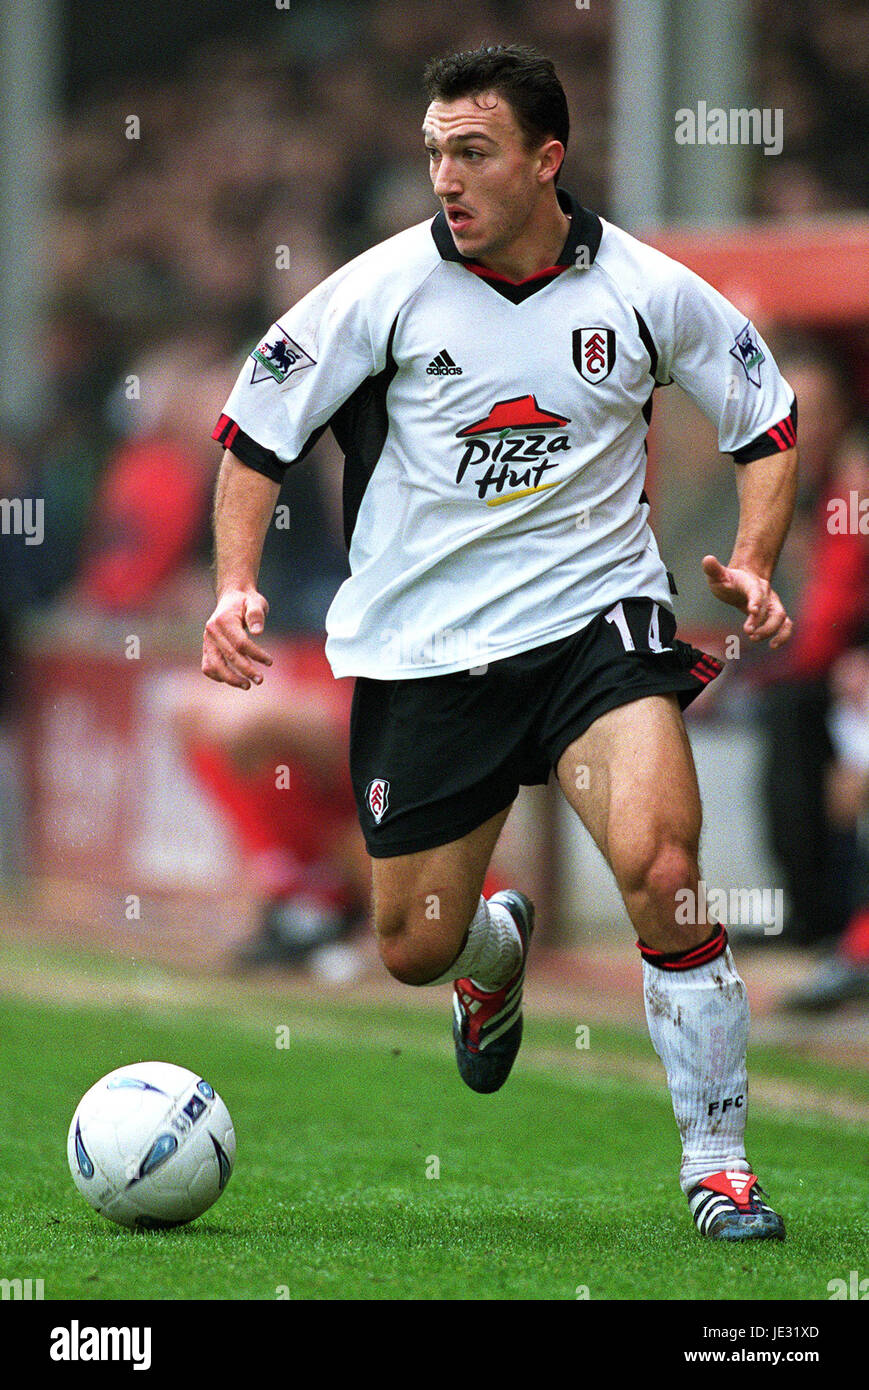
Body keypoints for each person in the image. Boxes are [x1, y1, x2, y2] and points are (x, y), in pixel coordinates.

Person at [202, 45, 798, 1241]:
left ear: (546, 158)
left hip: (599, 629)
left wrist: (753, 561)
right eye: (432, 152)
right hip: (428, 651)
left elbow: (764, 419)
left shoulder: (642, 288)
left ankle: (719, 1166)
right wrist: (232, 586)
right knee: (410, 945)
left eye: (469, 152)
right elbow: (255, 430)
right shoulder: (377, 290)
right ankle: (490, 948)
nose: (445, 177)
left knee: (666, 872)